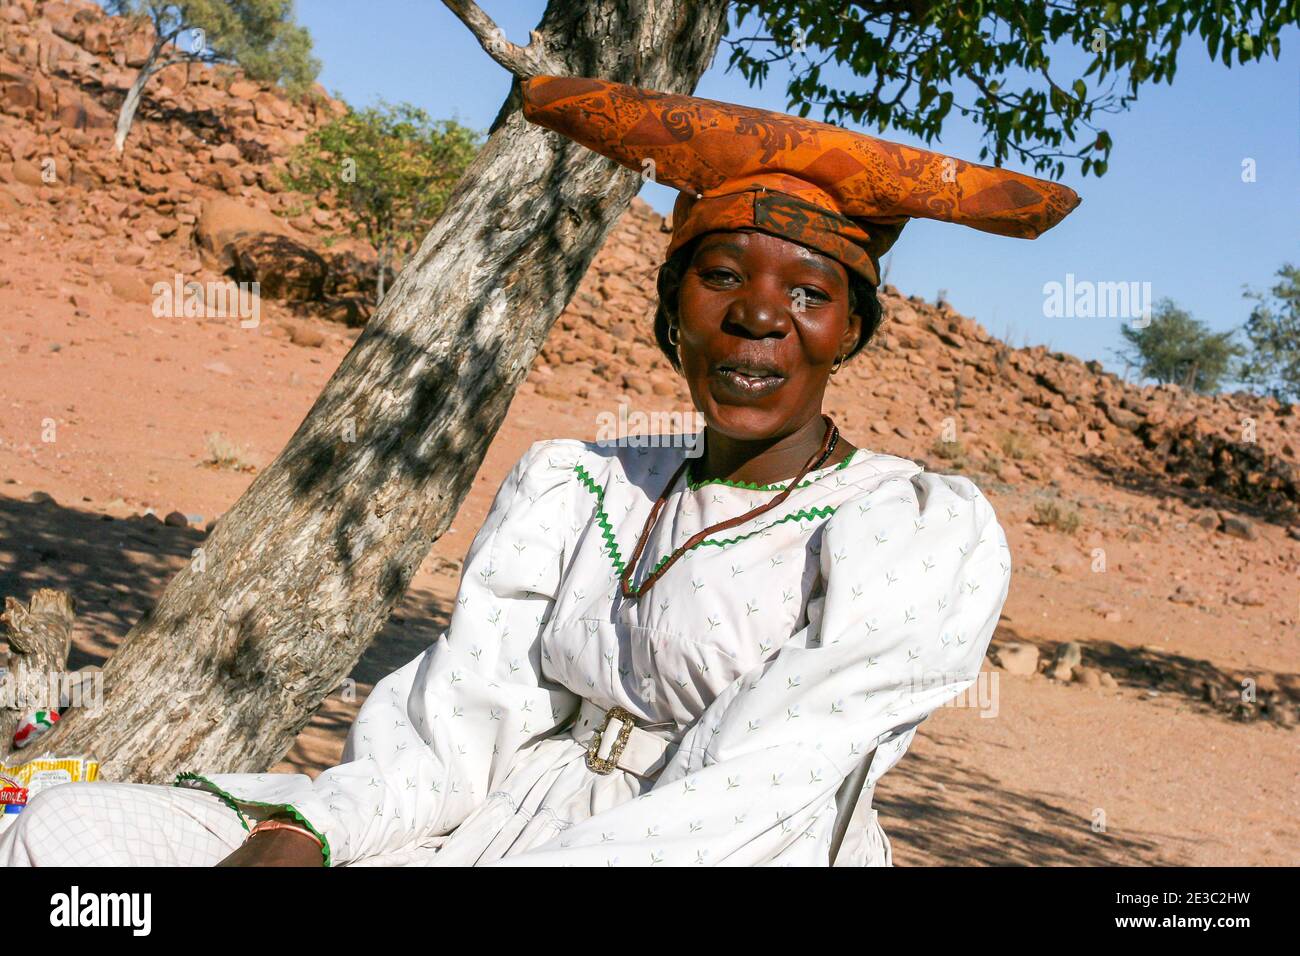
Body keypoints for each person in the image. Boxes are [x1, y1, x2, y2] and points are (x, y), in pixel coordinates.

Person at [0, 75, 1079, 867]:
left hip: (712, 853)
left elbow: (758, 789)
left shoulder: (908, 525)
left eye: (809, 293)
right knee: (68, 839)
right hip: (494, 819)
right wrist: (309, 832)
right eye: (720, 275)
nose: (760, 314)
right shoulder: (582, 485)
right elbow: (458, 725)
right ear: (671, 314)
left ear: (851, 330)